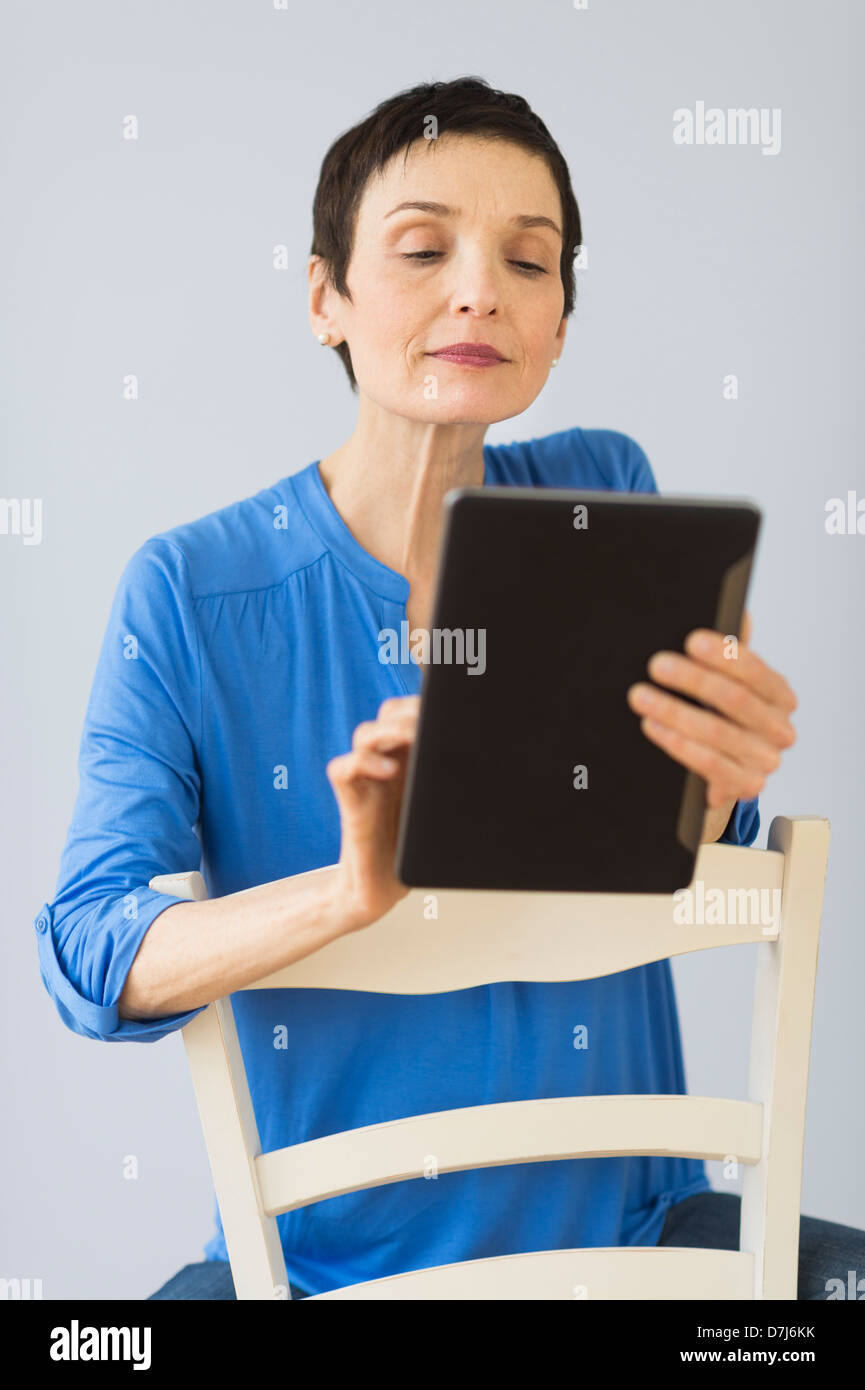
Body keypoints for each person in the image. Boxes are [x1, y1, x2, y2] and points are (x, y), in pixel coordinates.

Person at [35, 76, 863, 1301]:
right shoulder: (191, 591)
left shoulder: (604, 494)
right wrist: (351, 893)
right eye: (423, 248)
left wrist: (723, 793)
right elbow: (90, 952)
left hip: (637, 1243)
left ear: (562, 320)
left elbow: (670, 835)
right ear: (326, 297)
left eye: (530, 263)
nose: (480, 288)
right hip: (314, 1269)